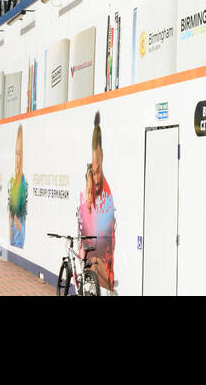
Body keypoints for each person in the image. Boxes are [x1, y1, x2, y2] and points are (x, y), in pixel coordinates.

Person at [77, 111, 116, 292]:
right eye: (94, 170)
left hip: (103, 270)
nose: (97, 177)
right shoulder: (89, 190)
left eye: (98, 169)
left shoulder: (108, 198)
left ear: (103, 155)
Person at [8, 125, 28, 247]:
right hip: (13, 238)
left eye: (19, 154)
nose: (17, 159)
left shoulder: (24, 184)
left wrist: (19, 228)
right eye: (16, 154)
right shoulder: (12, 182)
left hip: (19, 239)